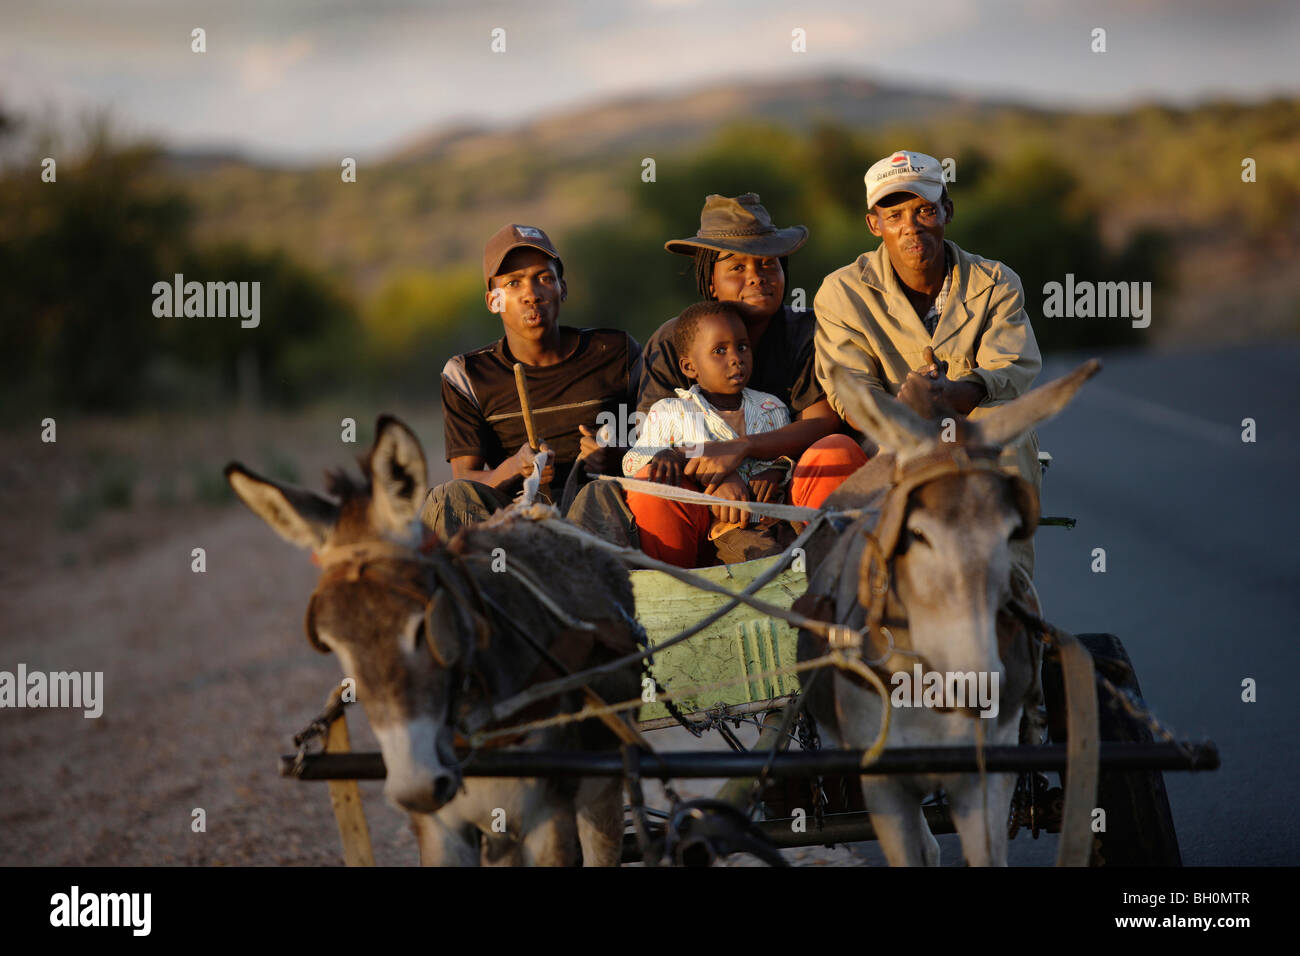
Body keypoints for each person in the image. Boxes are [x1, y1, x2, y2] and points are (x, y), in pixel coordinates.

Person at [570, 194, 865, 566]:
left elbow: (822, 422)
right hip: (704, 508)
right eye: (737, 268)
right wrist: (715, 482)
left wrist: (747, 450)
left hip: (785, 497)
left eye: (768, 264)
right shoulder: (675, 340)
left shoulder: (805, 332)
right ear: (711, 283)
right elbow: (659, 442)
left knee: (836, 449)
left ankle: (833, 574)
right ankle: (679, 590)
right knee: (654, 480)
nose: (756, 276)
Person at [813, 149, 1043, 576]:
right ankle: (889, 589)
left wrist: (955, 394)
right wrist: (905, 409)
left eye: (923, 211)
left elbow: (1012, 366)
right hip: (890, 436)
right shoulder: (841, 293)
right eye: (894, 215)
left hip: (974, 425)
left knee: (1009, 426)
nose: (911, 227)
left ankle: (1012, 589)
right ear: (874, 224)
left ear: (946, 212)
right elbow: (850, 392)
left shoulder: (994, 282)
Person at [422, 223, 640, 538]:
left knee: (601, 494)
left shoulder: (614, 352)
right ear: (493, 301)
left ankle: (594, 578)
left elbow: (658, 440)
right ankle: (489, 580)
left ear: (562, 289)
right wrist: (516, 467)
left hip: (602, 521)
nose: (531, 295)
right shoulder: (468, 375)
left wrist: (615, 456)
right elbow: (464, 479)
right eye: (513, 283)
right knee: (447, 498)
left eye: (544, 278)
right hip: (516, 522)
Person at [622, 301, 797, 565]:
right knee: (768, 562)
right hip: (721, 529)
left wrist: (777, 471)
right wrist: (669, 455)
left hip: (773, 520)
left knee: (809, 558)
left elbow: (788, 457)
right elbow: (632, 464)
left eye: (742, 347)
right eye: (719, 351)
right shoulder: (672, 412)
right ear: (689, 367)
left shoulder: (771, 408)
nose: (736, 358)